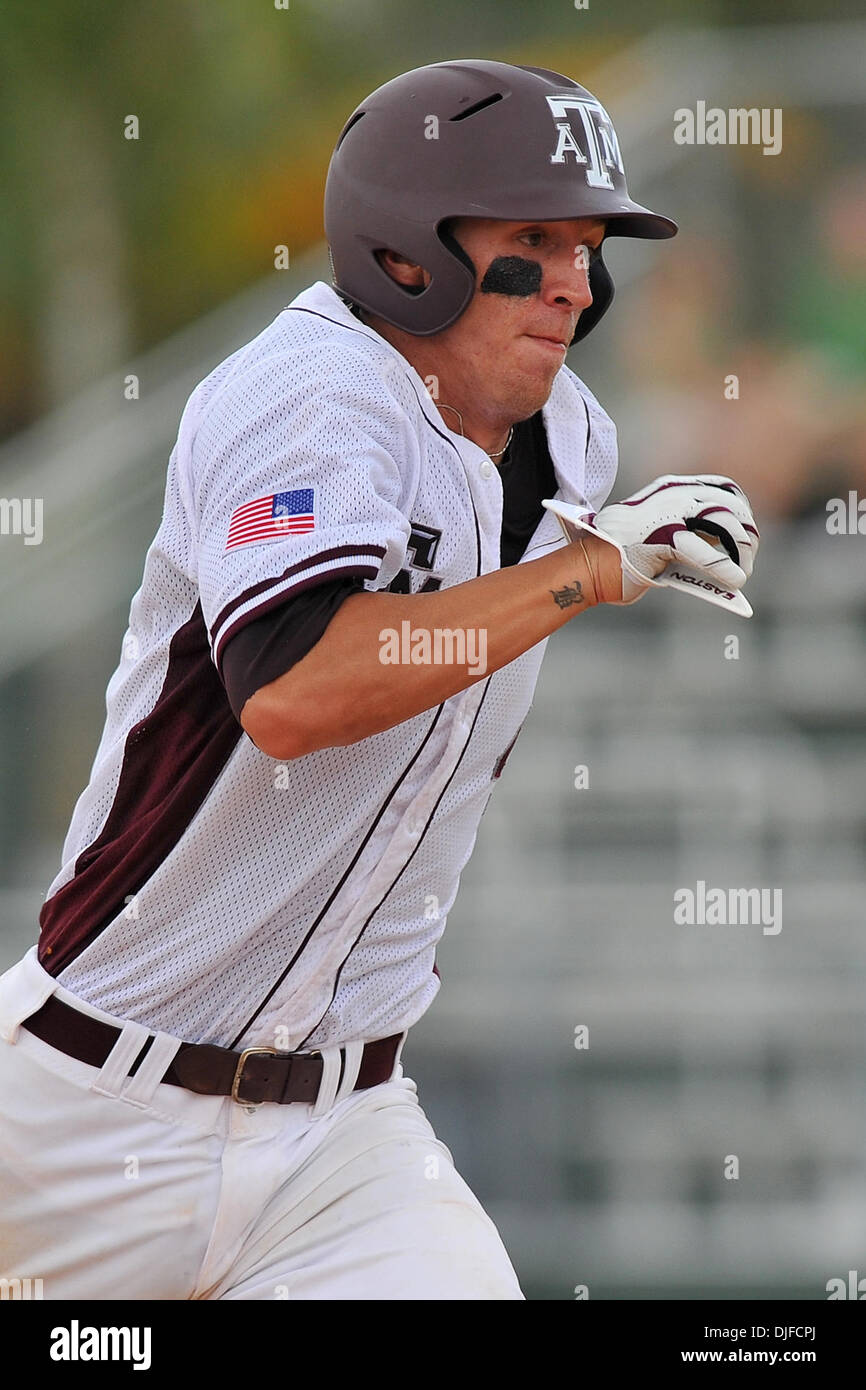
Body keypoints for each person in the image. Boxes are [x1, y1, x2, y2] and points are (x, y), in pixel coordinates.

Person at [0, 59, 757, 1300]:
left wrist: (584, 561)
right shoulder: (306, 393)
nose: (573, 281)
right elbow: (291, 693)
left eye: (585, 246)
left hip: (344, 1141)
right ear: (407, 253)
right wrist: (587, 573)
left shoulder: (569, 433)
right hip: (84, 1116)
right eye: (531, 239)